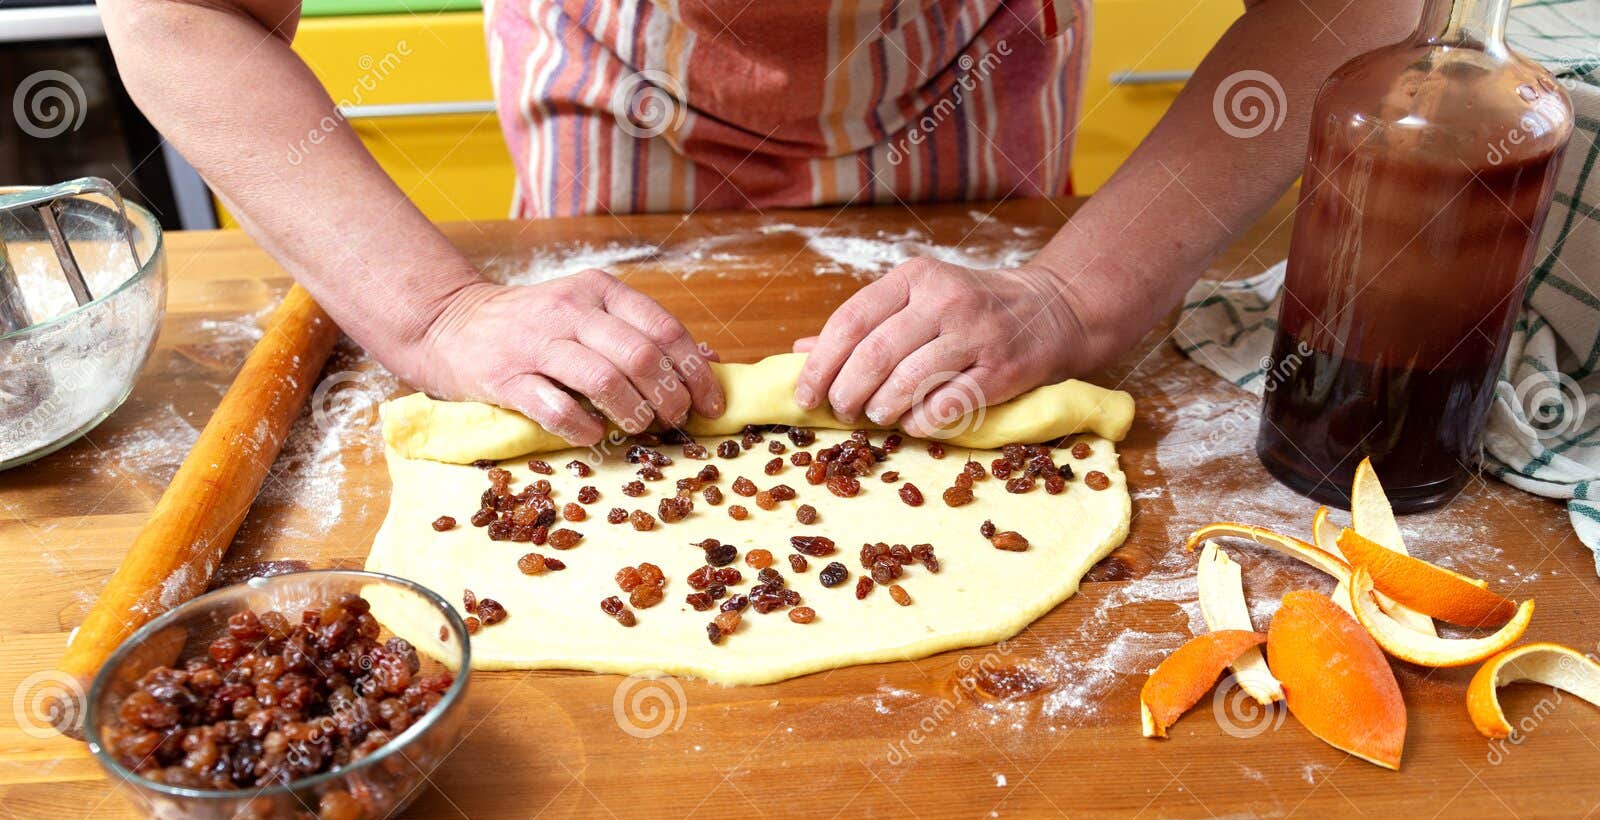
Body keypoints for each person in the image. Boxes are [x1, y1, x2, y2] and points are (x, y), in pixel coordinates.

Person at [102, 0, 1422, 443]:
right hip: (609, 102)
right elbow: (179, 11)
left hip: (970, 102)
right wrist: (441, 313)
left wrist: (1079, 295)